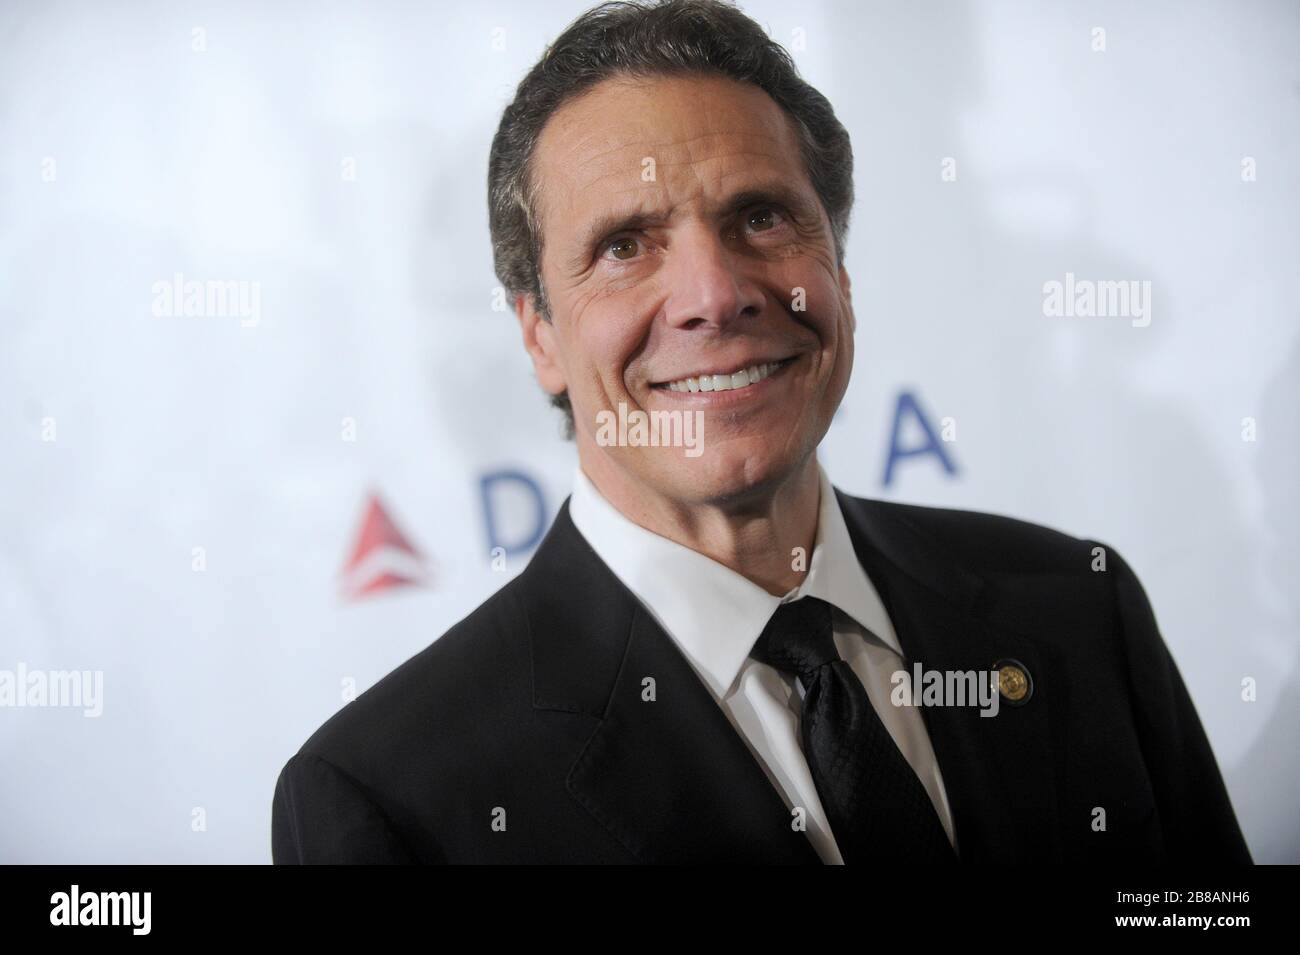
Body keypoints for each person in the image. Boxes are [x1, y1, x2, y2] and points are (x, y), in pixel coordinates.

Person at [271, 0, 1251, 864]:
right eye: (623, 245)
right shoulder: (392, 798)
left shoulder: (1079, 614)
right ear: (538, 335)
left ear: (840, 270)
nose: (713, 294)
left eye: (761, 217)